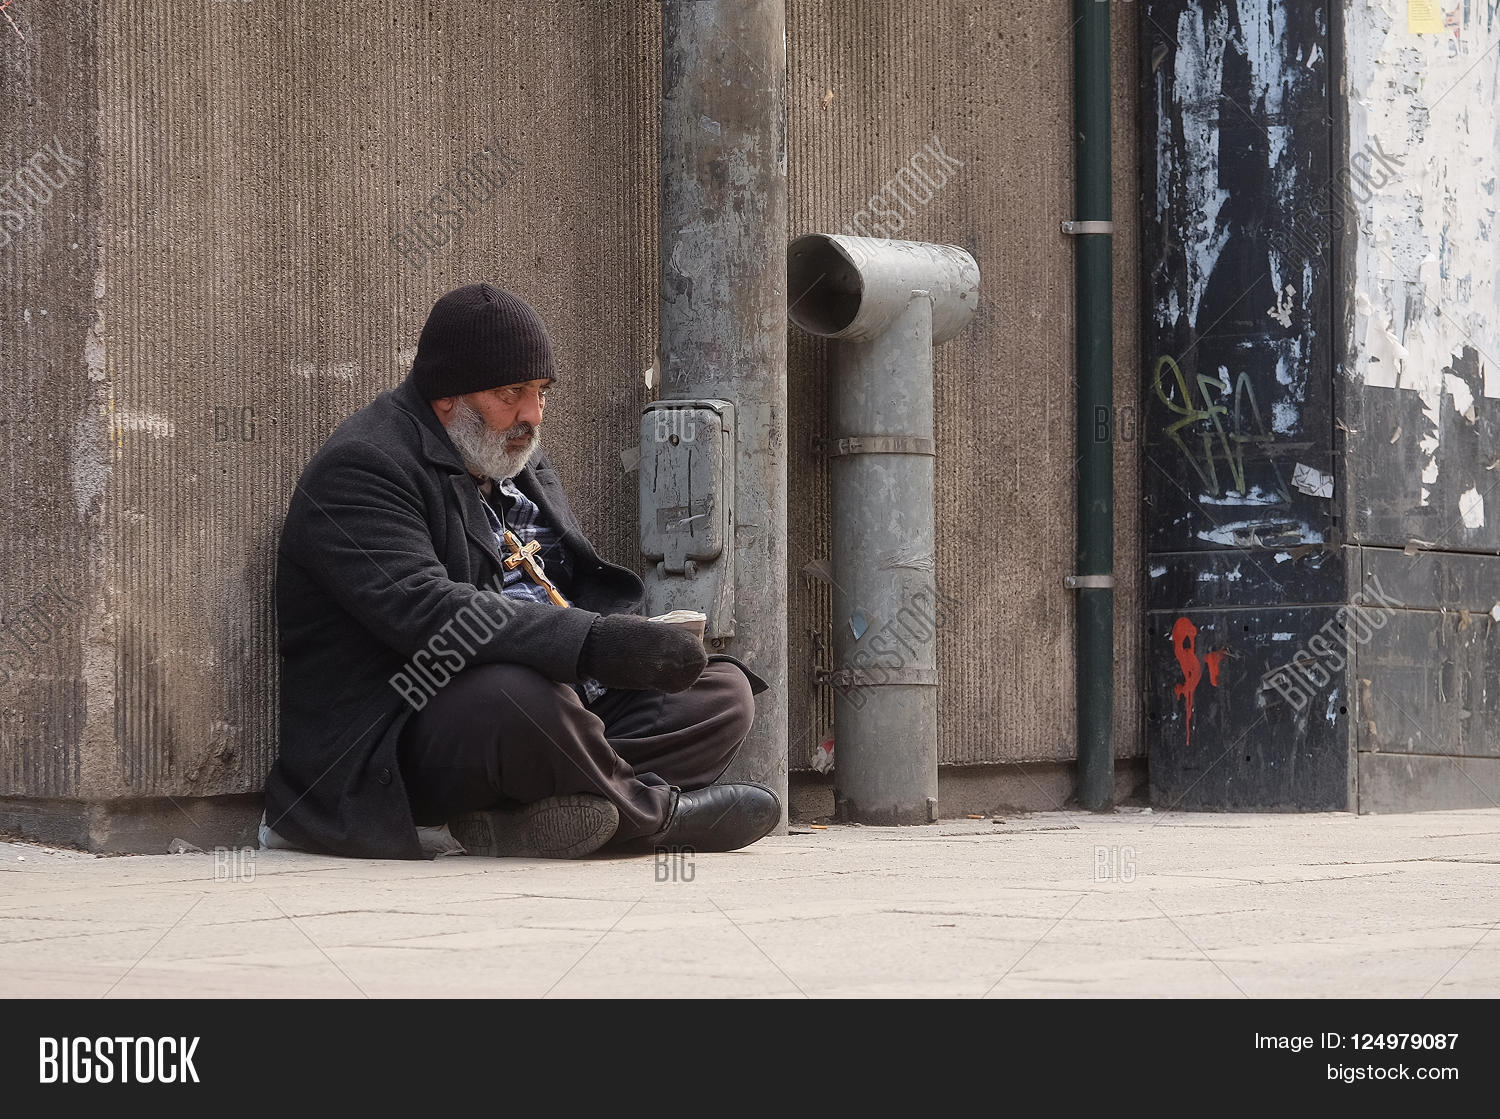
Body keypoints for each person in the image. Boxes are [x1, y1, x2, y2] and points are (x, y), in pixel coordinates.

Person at [262, 283, 779, 859]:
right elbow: (431, 616)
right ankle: (657, 817)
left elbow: (570, 583)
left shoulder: (507, 453)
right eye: (511, 393)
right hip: (403, 735)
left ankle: (534, 813)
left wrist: (637, 637)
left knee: (720, 692)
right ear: (446, 396)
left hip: (551, 702)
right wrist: (593, 643)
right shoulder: (364, 467)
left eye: (539, 391)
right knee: (514, 699)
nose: (531, 415)